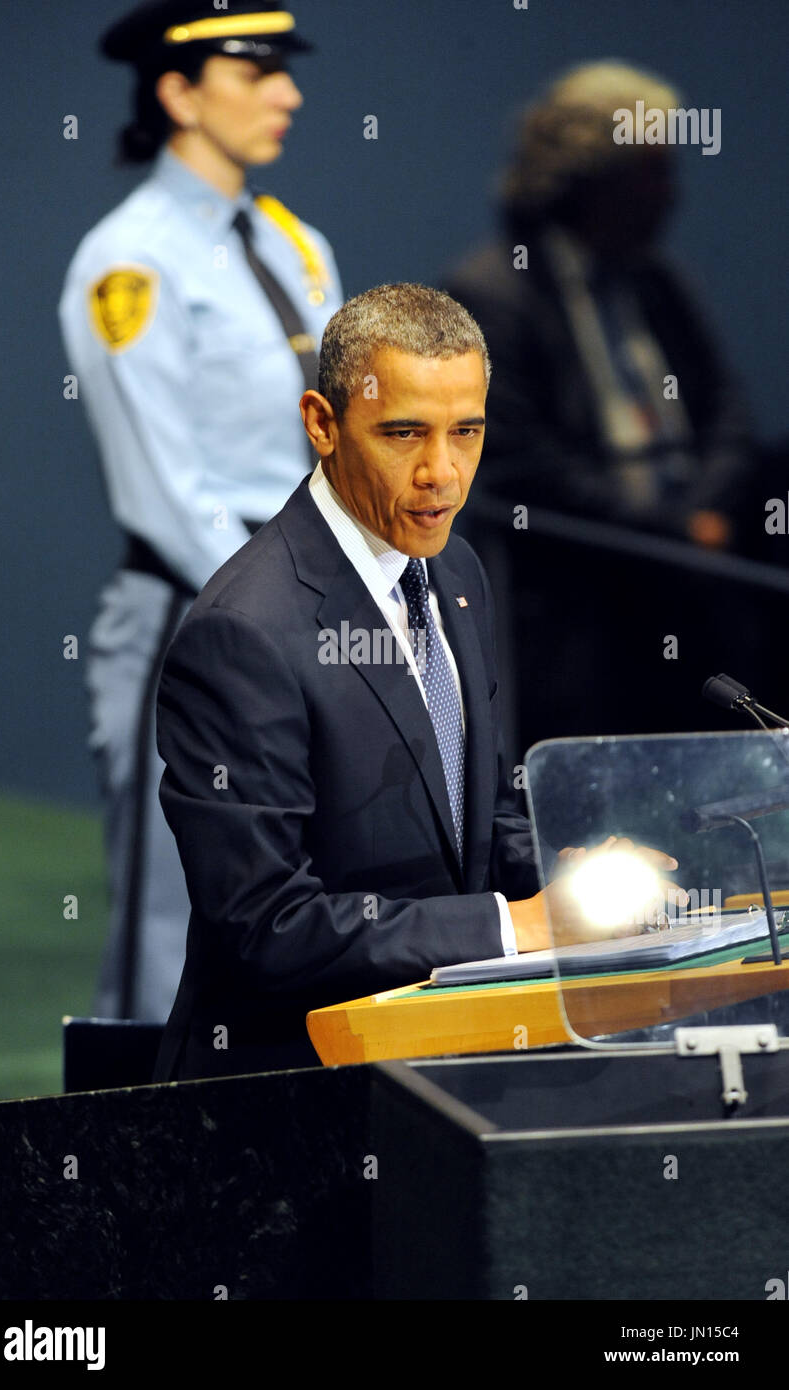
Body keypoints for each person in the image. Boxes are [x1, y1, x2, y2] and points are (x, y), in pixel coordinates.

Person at [153, 284, 680, 1082]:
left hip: (444, 1065)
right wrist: (518, 927)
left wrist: (563, 874)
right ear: (322, 424)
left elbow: (473, 814)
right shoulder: (243, 632)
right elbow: (266, 925)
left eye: (465, 432)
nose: (441, 473)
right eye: (403, 434)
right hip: (284, 1096)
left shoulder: (455, 569)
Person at [58, 1, 342, 1022]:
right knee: (171, 919)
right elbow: (162, 492)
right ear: (178, 92)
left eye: (284, 69)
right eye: (255, 69)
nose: (288, 92)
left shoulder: (295, 243)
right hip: (200, 620)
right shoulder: (128, 261)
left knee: (318, 897)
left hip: (314, 620)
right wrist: (292, 612)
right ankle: (126, 1166)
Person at [445, 61, 752, 544]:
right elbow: (520, 465)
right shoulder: (494, 293)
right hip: (576, 575)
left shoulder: (658, 280)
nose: (672, 195)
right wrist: (668, 530)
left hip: (694, 557)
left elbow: (726, 410)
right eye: (653, 173)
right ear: (593, 175)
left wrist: (704, 510)